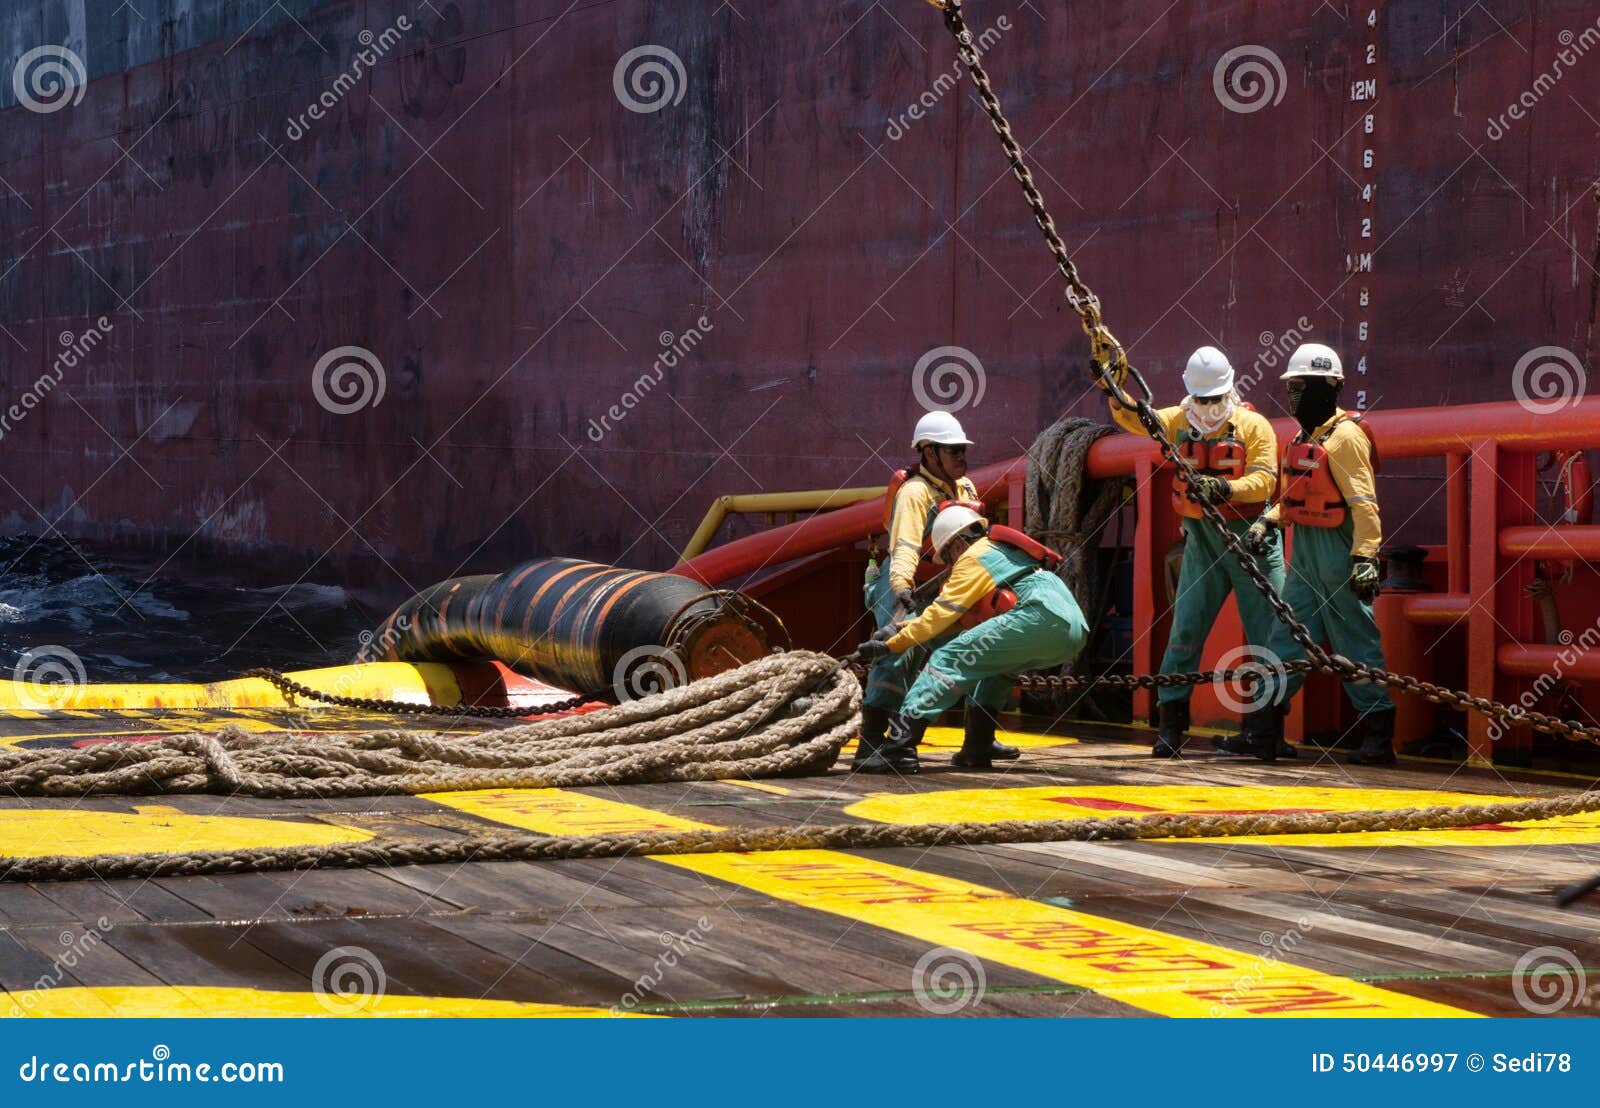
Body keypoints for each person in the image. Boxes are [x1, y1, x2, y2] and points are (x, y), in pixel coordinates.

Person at [1098, 346, 1287, 758]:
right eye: (1201, 400)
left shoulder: (1255, 427)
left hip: (1252, 539)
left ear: (1230, 391)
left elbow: (1266, 481)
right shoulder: (1176, 422)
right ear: (1190, 396)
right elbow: (1135, 417)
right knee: (1184, 632)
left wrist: (1224, 488)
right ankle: (1171, 726)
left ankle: (1266, 732)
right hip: (1202, 541)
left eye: (1216, 399)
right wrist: (1112, 387)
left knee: (1268, 637)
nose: (1208, 408)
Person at [1239, 342, 1395, 764]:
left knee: (1355, 643)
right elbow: (1294, 496)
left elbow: (1364, 504)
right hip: (1305, 556)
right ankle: (1265, 730)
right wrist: (1267, 521)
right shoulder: (1304, 438)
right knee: (1285, 636)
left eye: (1301, 387)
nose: (1294, 396)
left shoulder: (1345, 440)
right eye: (1292, 387)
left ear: (1327, 387)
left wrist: (1364, 558)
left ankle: (1378, 737)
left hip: (1339, 556)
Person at [856, 504, 1089, 771]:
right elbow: (956, 622)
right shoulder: (1005, 553)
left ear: (956, 546)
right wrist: (899, 630)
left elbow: (938, 617)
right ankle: (978, 745)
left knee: (948, 658)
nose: (952, 565)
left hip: (1036, 615)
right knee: (996, 667)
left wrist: (889, 645)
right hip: (1071, 628)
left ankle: (899, 749)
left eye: (949, 558)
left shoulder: (974, 556)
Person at [855, 411, 1019, 771]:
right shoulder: (915, 493)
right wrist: (900, 589)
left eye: (963, 450)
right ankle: (869, 748)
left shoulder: (966, 489)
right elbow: (906, 546)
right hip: (907, 582)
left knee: (991, 639)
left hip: (948, 580)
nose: (963, 457)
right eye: (954, 450)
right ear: (929, 453)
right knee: (896, 651)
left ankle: (979, 740)